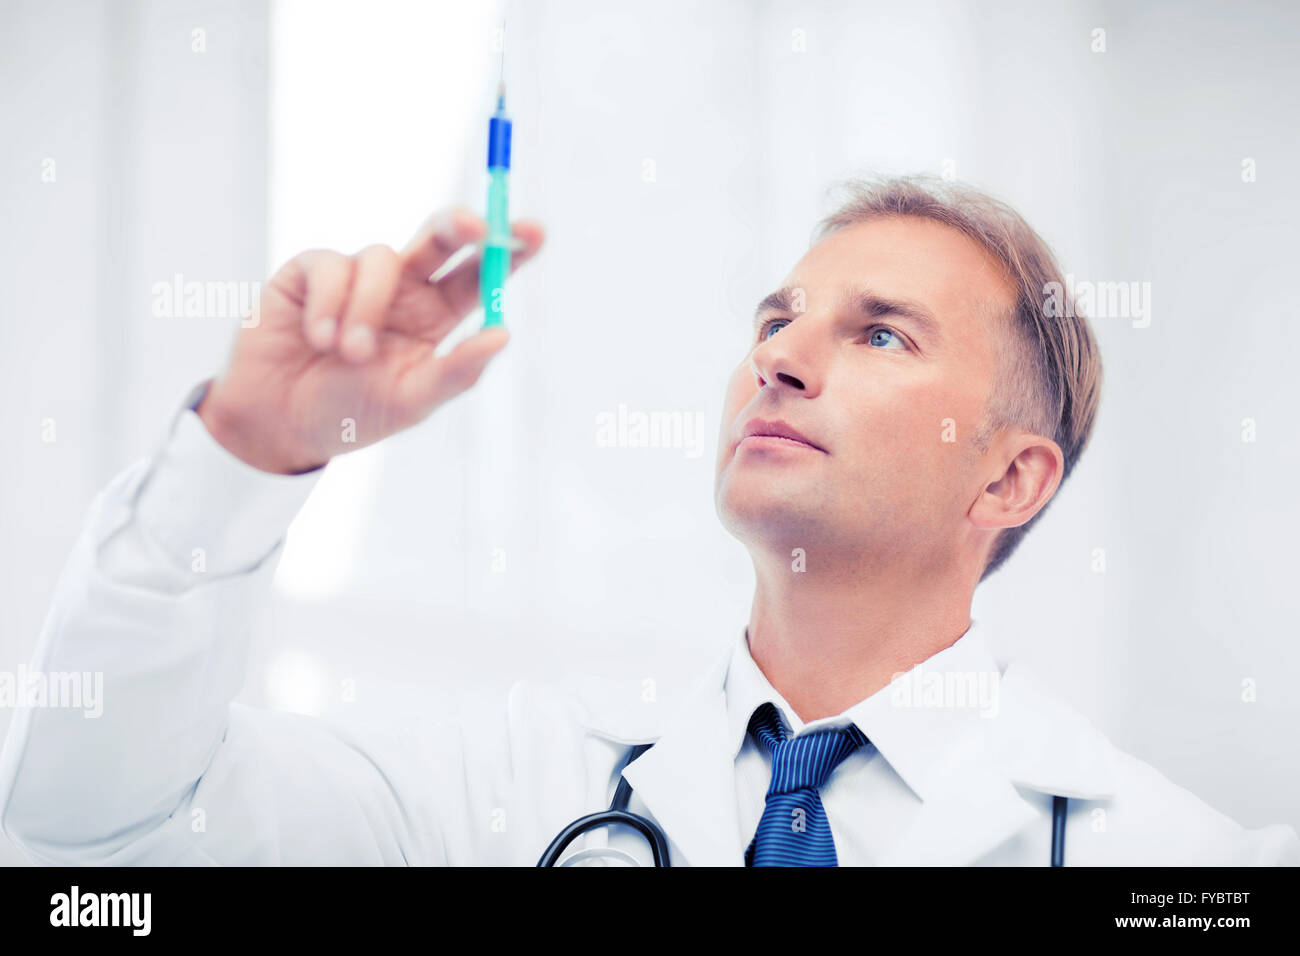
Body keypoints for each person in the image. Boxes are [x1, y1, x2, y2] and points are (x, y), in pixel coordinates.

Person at [0, 178, 1294, 866]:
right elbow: (104, 832)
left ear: (1009, 482)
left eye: (881, 335)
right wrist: (245, 451)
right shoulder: (512, 787)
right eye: (775, 321)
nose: (777, 360)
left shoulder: (1182, 862)